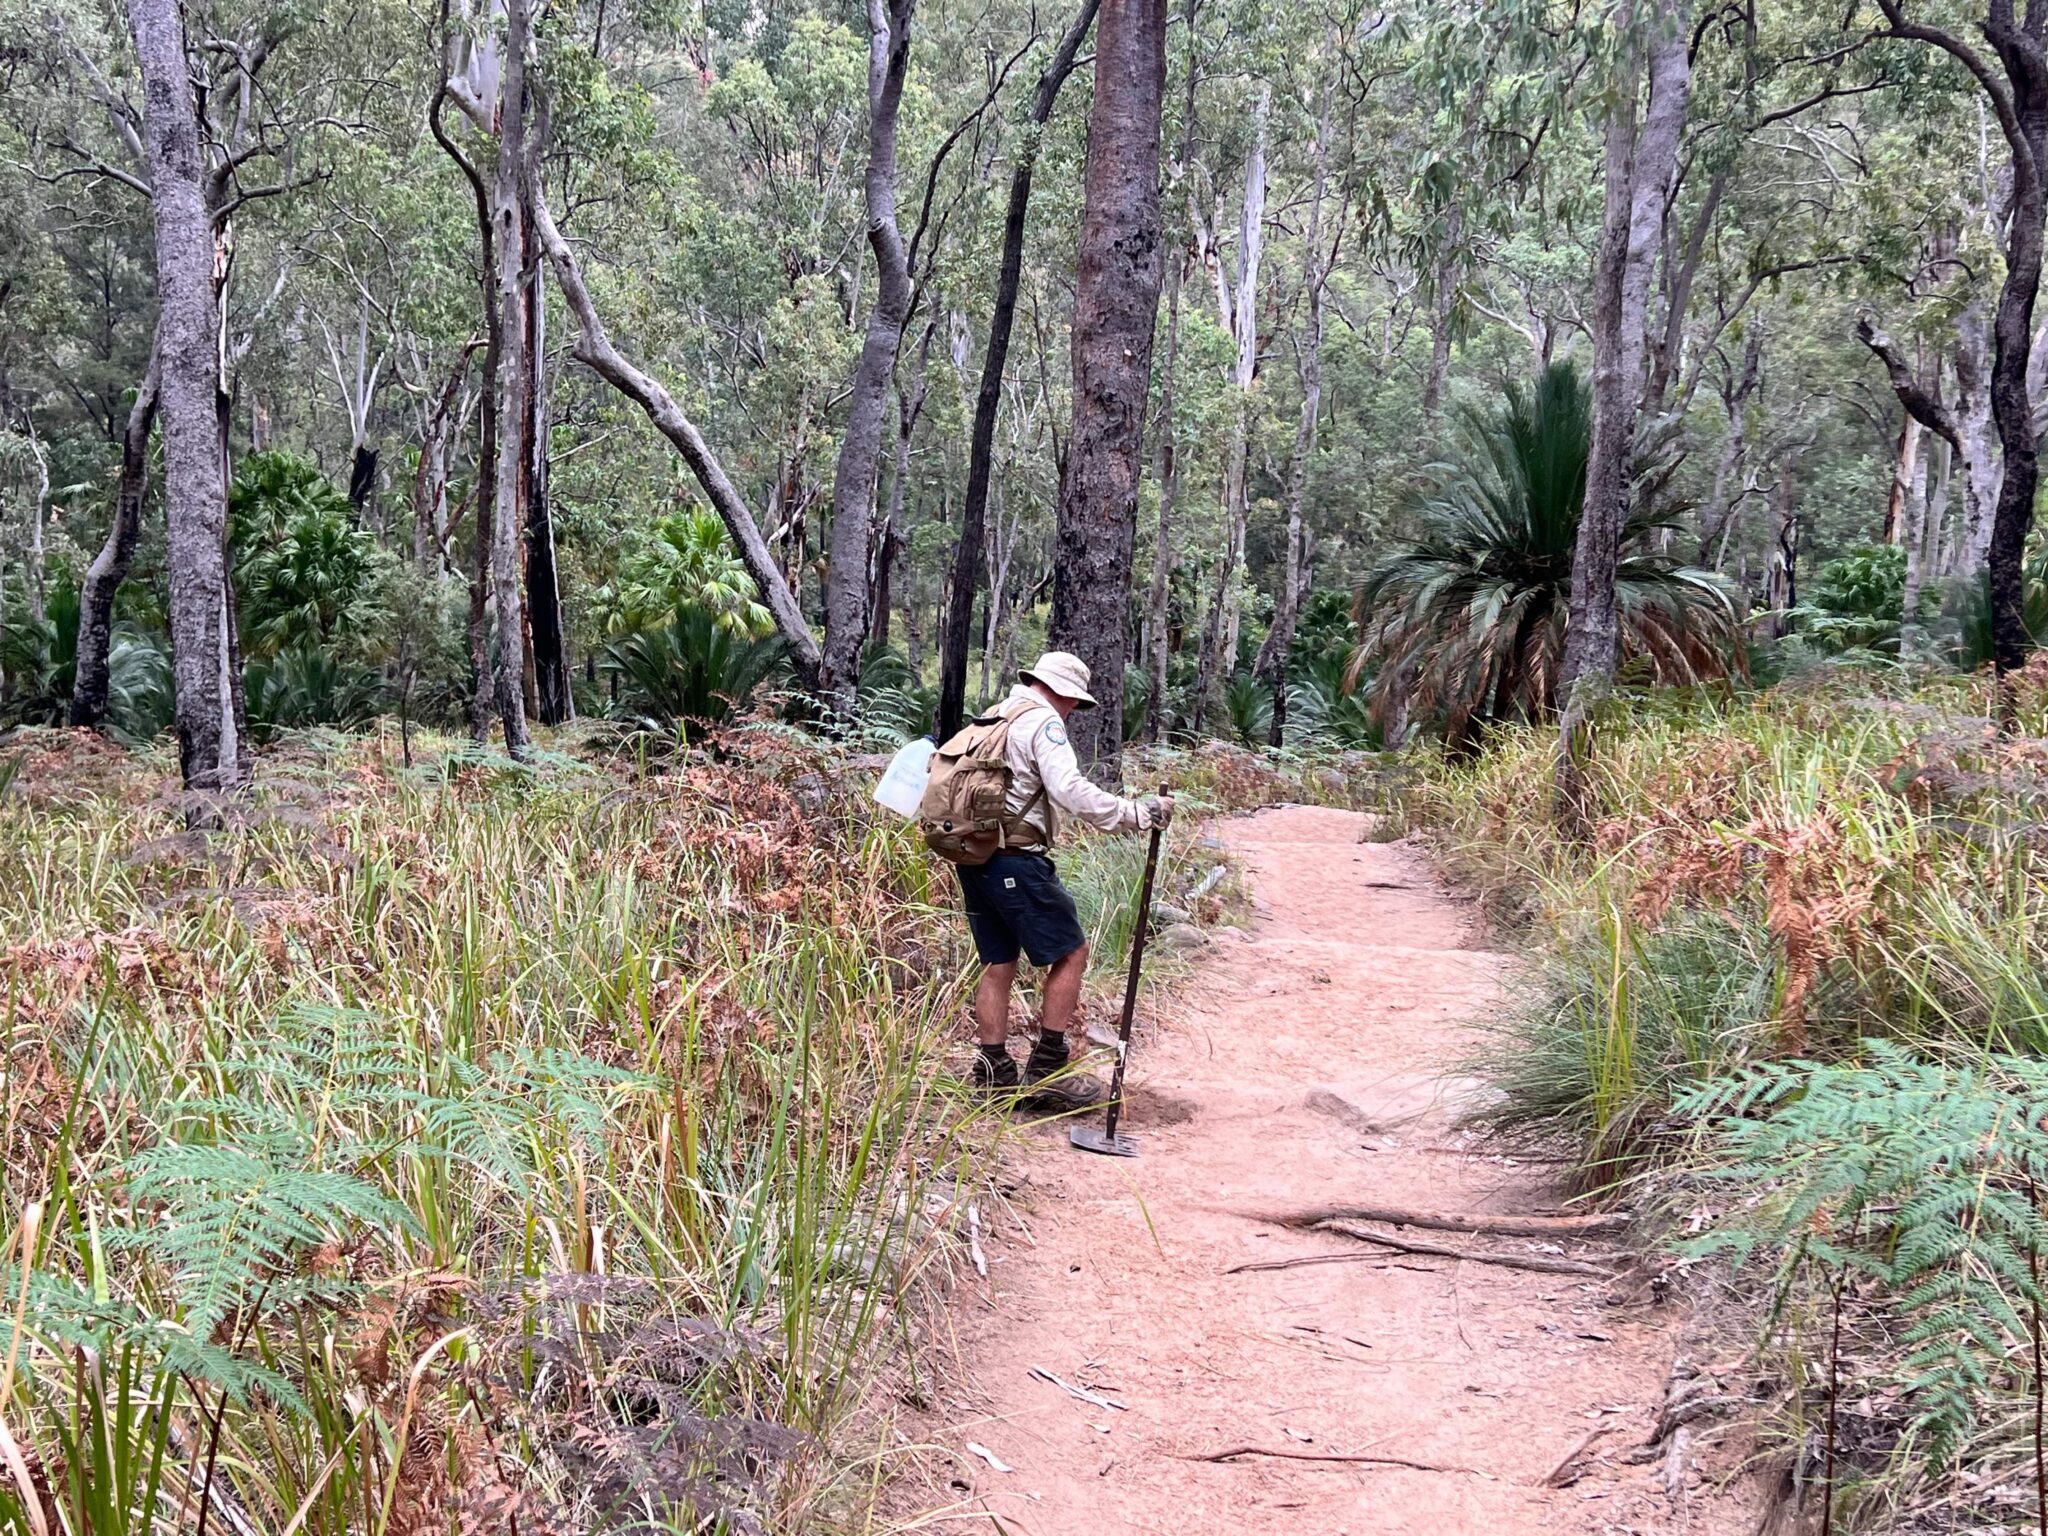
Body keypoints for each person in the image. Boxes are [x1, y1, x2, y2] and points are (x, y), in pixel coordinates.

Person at [956, 651, 1173, 1105]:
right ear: (1058, 690)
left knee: (999, 962)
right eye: (1074, 700)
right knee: (1072, 952)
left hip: (974, 857)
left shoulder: (994, 715)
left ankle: (994, 1071)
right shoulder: (1043, 723)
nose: (1074, 710)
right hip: (1015, 859)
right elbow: (1068, 789)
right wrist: (1135, 813)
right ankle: (1048, 1071)